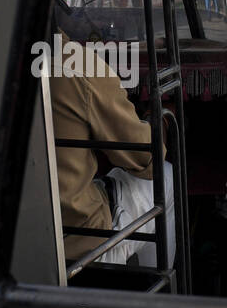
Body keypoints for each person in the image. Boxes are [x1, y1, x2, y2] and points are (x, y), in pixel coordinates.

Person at [48, 23, 175, 268]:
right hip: (77, 246)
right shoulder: (77, 65)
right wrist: (157, 125)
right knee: (165, 177)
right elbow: (146, 159)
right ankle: (162, 298)